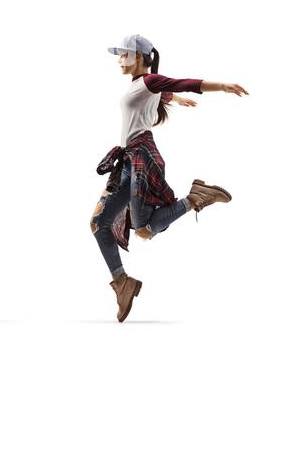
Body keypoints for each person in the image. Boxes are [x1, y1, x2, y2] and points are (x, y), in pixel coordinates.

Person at [90, 34, 248, 321]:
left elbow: (181, 82)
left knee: (144, 228)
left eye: (124, 54)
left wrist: (221, 86)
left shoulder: (150, 81)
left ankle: (195, 198)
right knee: (99, 223)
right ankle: (122, 283)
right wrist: (176, 99)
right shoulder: (141, 85)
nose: (120, 60)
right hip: (127, 162)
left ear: (139, 57)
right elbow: (163, 93)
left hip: (142, 161)